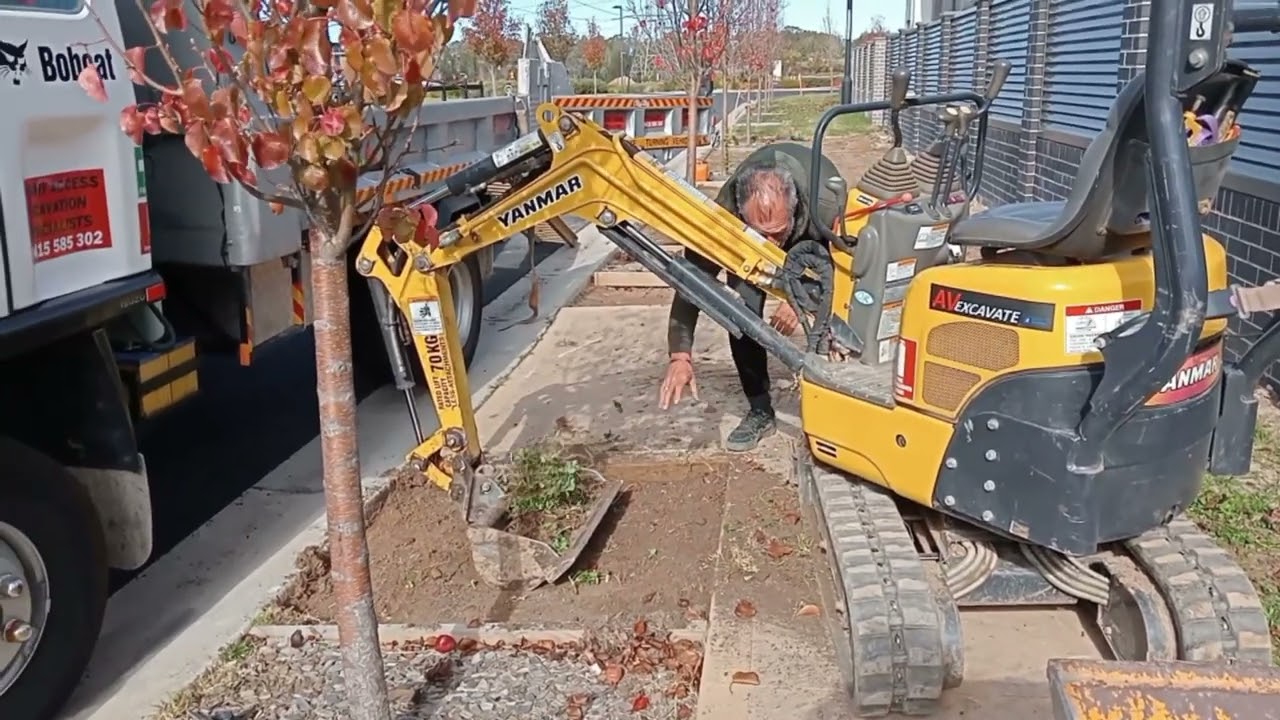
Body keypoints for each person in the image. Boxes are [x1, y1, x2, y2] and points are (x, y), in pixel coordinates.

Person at [658, 142, 843, 452]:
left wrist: (799, 297)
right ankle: (760, 410)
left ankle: (835, 395)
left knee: (838, 315)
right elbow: (692, 283)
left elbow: (843, 266)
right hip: (744, 243)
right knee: (741, 313)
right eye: (761, 234)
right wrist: (680, 355)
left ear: (793, 211)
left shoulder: (825, 204)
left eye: (777, 233)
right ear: (741, 216)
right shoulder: (724, 215)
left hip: (814, 238)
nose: (769, 245)